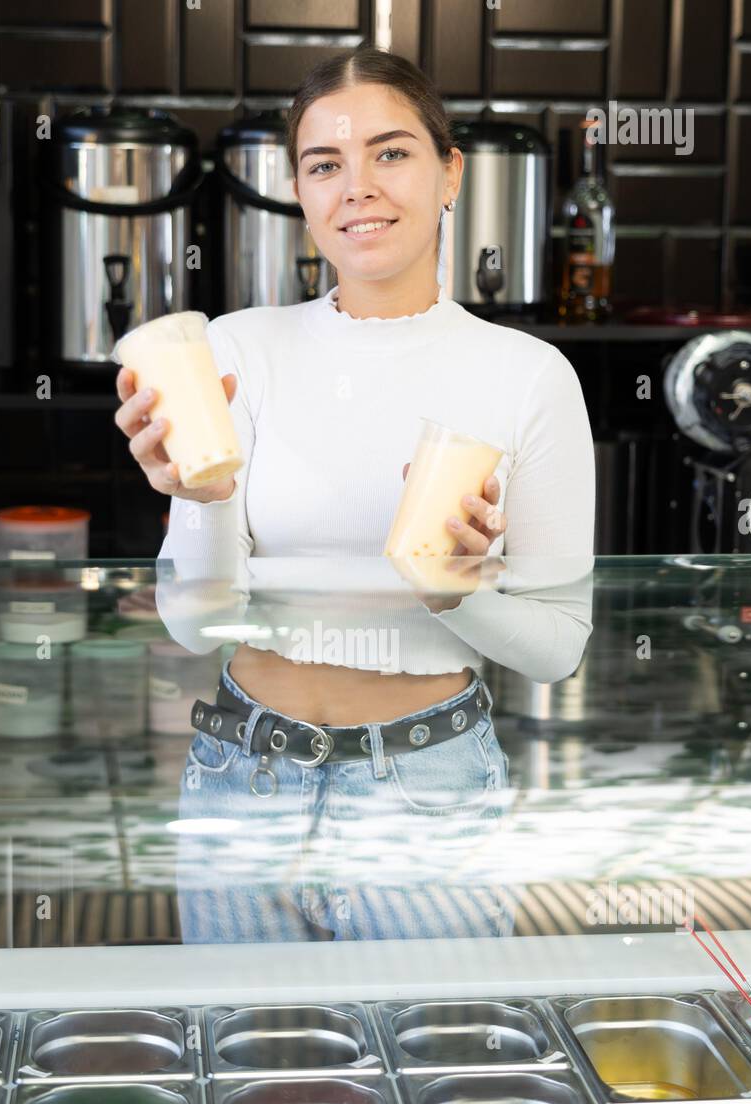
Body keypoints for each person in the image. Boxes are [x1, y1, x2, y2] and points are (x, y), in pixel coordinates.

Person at [114, 47, 595, 942]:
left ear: (450, 173)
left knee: (430, 1073)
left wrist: (457, 593)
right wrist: (206, 499)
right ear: (300, 191)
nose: (357, 187)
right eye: (325, 164)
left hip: (428, 791)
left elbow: (558, 649)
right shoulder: (234, 351)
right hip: (242, 783)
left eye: (392, 152)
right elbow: (192, 624)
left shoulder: (528, 375)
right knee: (244, 1078)